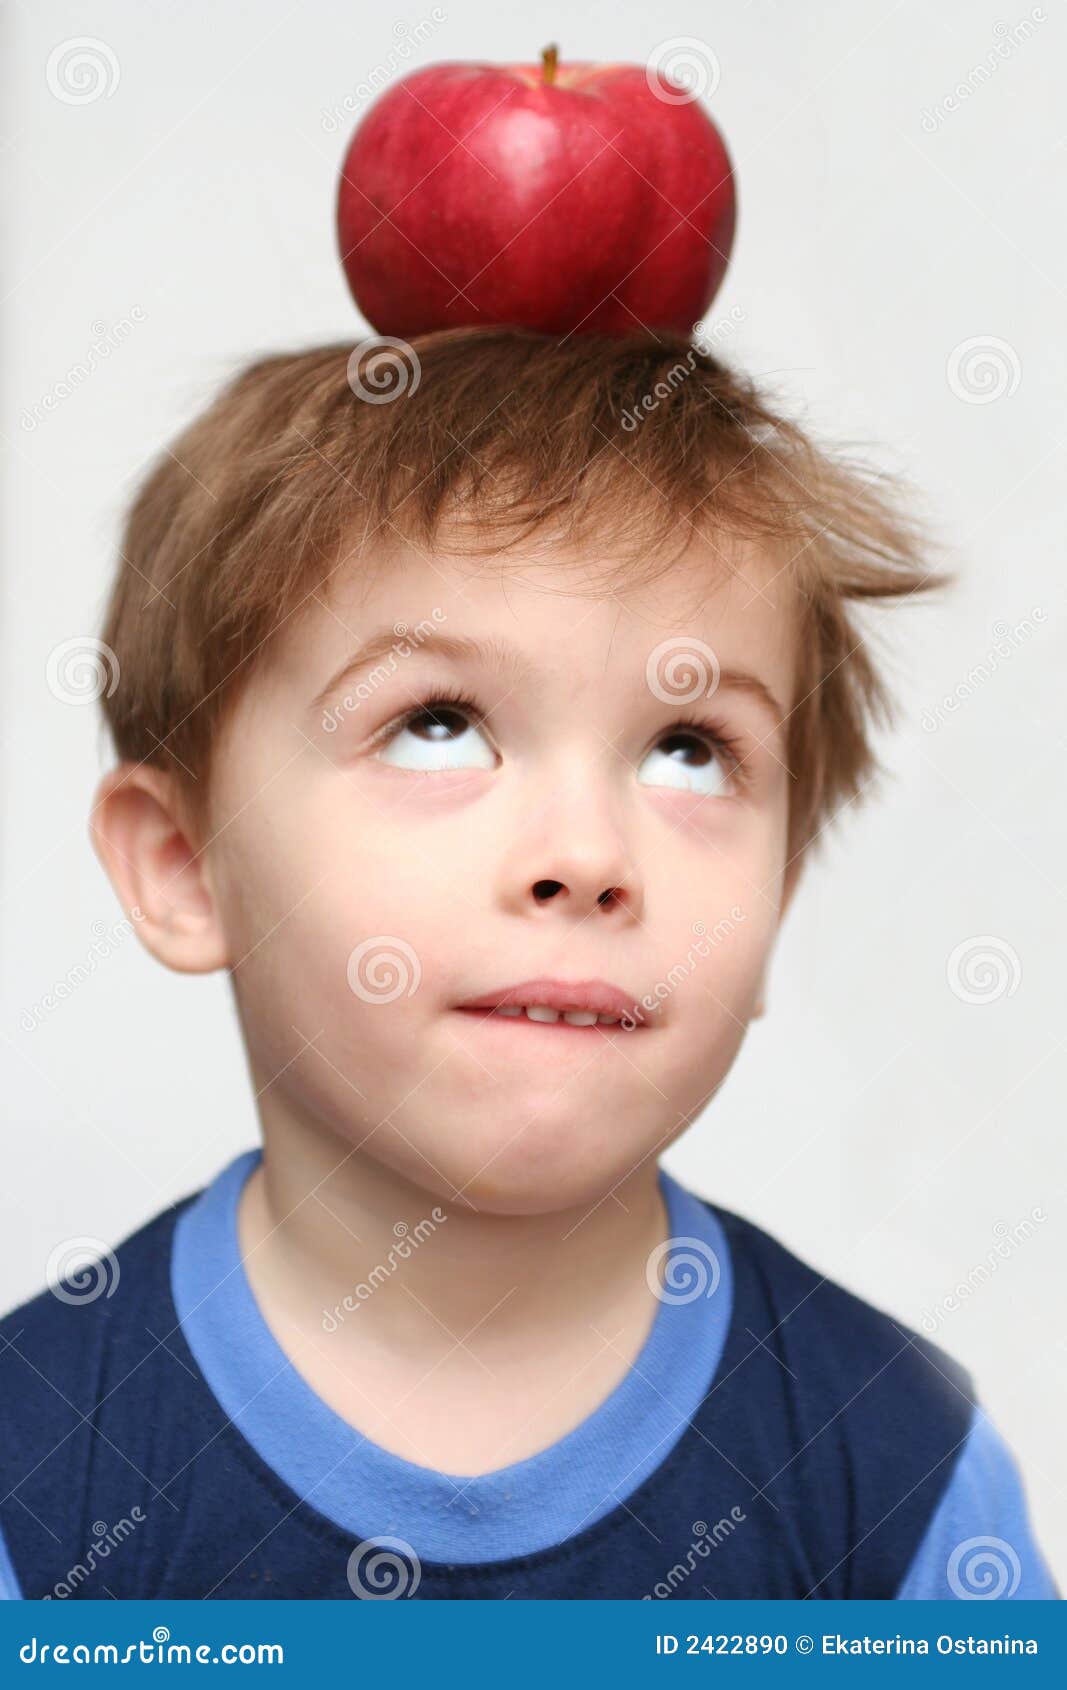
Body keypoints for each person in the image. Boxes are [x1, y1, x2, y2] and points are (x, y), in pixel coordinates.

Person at [0, 328, 1057, 1599]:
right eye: (436, 725)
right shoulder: (37, 1482)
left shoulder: (894, 1479)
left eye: (686, 748)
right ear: (183, 863)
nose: (585, 852)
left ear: (775, 901)